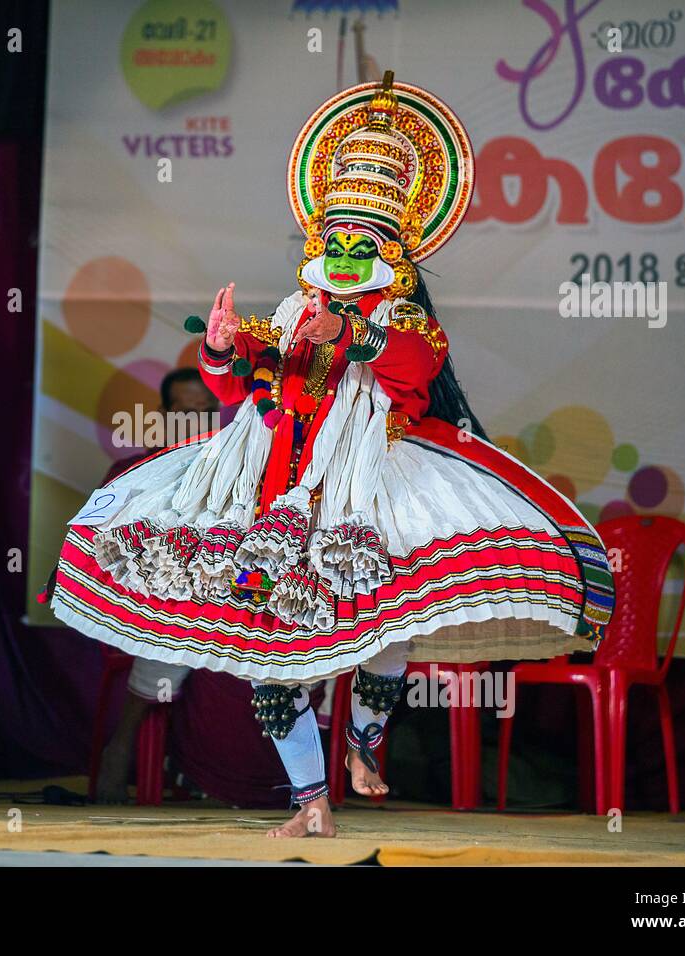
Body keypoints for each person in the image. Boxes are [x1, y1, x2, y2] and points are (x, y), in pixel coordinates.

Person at [49, 75, 613, 837]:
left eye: (364, 246)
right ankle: (311, 801)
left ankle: (362, 747)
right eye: (336, 243)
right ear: (316, 247)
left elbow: (401, 366)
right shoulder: (290, 316)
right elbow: (245, 381)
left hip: (363, 501)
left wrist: (345, 338)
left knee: (387, 631)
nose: (347, 258)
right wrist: (220, 347)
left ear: (396, 257)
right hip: (267, 506)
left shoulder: (409, 326)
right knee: (270, 669)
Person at [94, 368, 218, 803]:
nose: (198, 422)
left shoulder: (234, 470)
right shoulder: (133, 471)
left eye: (207, 411)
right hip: (143, 601)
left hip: (218, 599)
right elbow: (96, 545)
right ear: (166, 415)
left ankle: (233, 775)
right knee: (175, 616)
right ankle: (121, 749)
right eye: (186, 411)